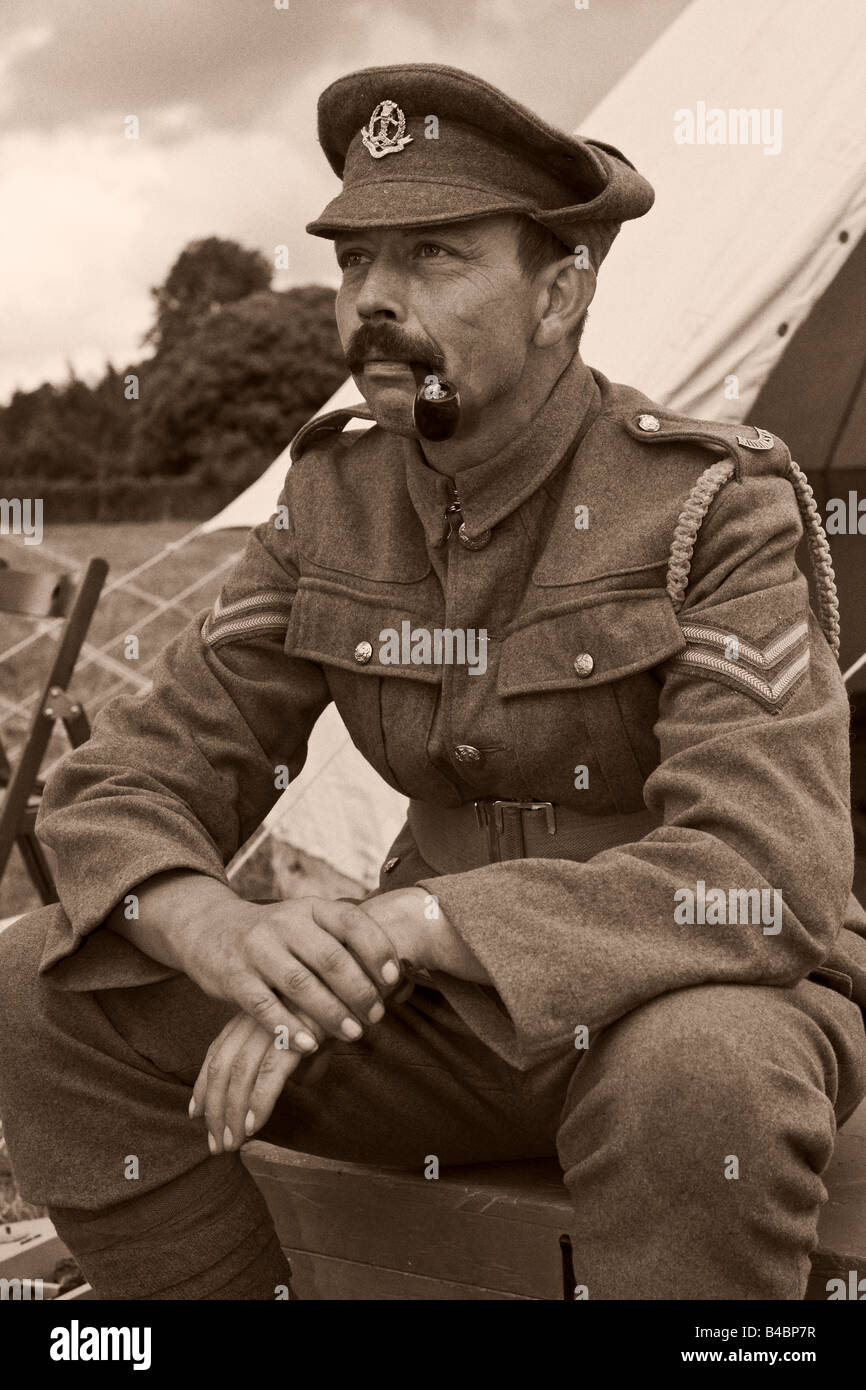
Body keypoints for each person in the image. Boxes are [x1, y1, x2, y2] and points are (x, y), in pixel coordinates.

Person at [1, 62, 865, 1301]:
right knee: (34, 989)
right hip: (434, 1025)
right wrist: (223, 931)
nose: (373, 301)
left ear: (560, 291)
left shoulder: (707, 509)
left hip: (684, 997)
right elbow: (126, 781)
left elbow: (757, 872)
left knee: (695, 1075)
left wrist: (412, 925)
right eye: (355, 263)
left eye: (434, 258)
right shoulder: (329, 504)